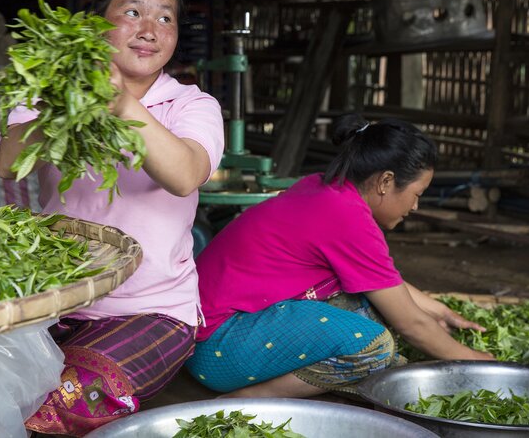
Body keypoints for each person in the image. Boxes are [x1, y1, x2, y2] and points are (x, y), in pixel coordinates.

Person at [0, 0, 224, 436]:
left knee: (56, 406)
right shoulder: (49, 94)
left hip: (151, 311)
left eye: (165, 18)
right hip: (53, 301)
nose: (149, 29)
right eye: (133, 12)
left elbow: (185, 175)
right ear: (96, 25)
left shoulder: (191, 105)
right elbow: (10, 163)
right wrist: (67, 100)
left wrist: (122, 104)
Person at [186, 114, 493, 398]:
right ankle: (249, 399)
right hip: (217, 348)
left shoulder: (326, 189)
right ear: (386, 182)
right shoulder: (347, 218)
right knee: (374, 347)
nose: (414, 207)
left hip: (202, 333)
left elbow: (382, 282)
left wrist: (438, 310)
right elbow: (412, 325)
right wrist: (479, 364)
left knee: (370, 310)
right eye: (417, 195)